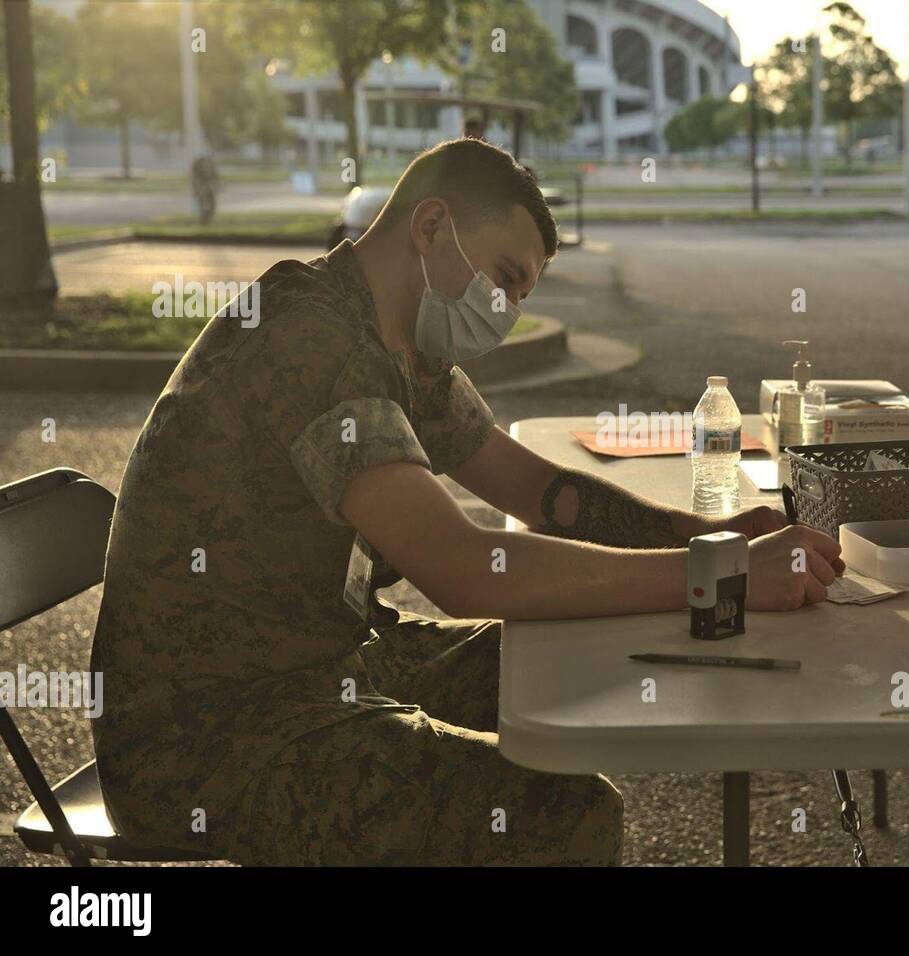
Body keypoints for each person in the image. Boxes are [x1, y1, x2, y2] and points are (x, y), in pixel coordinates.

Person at [90, 137, 844, 866]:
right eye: (505, 278)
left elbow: (541, 492)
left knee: (582, 650)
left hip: (325, 661)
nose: (506, 308)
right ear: (430, 226)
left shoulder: (403, 344)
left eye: (522, 293)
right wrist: (718, 573)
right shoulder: (309, 336)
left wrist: (702, 535)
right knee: (569, 817)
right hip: (210, 735)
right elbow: (463, 571)